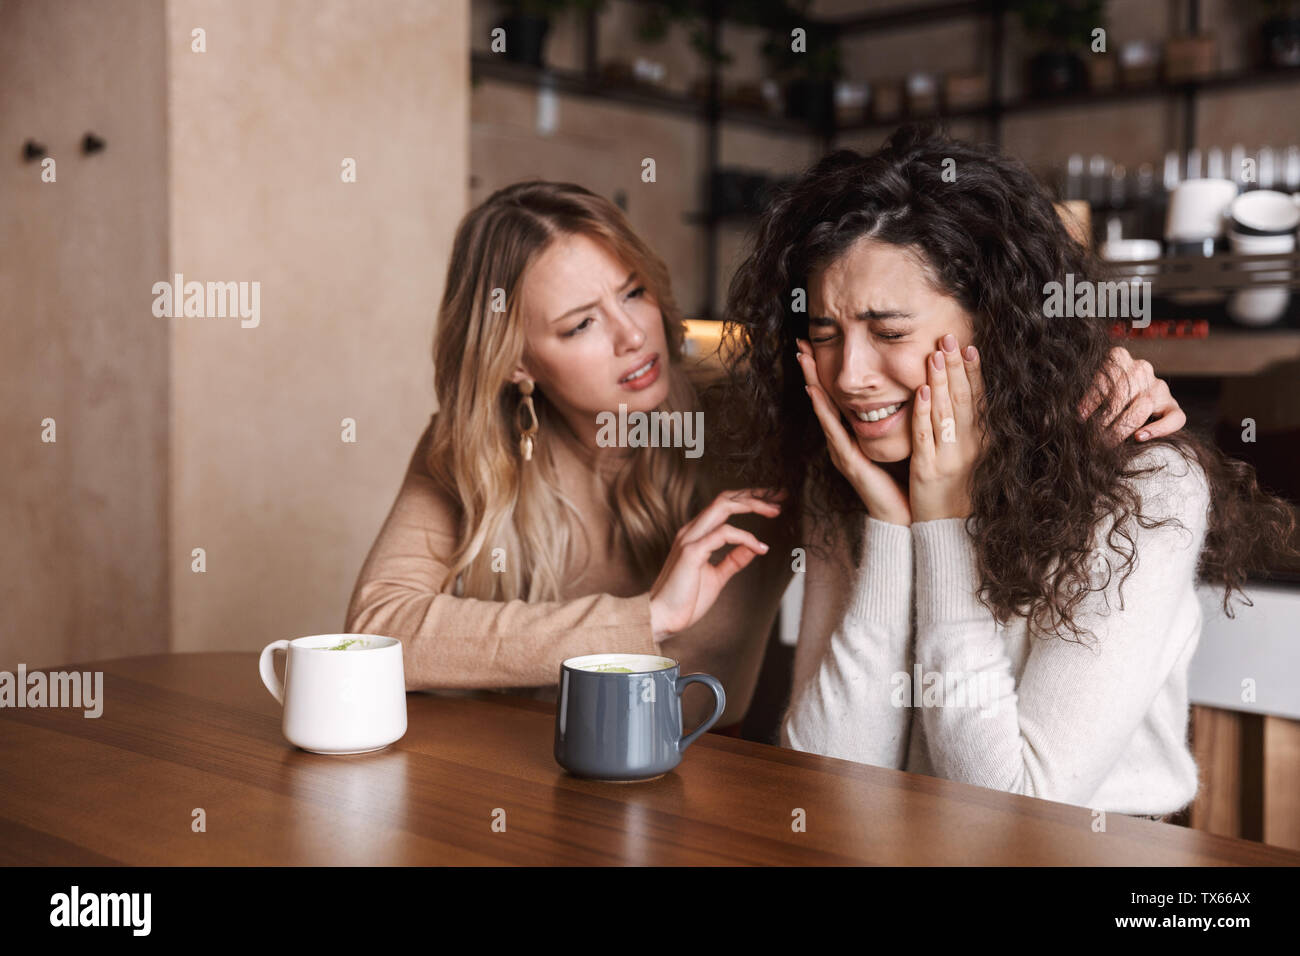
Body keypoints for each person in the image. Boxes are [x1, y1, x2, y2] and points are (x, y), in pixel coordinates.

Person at [345, 178, 1188, 738]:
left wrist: (1088, 372)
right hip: (490, 782)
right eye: (580, 325)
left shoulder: (761, 415)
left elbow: (922, 356)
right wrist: (645, 619)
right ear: (517, 362)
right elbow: (378, 631)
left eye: (632, 290)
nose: (635, 334)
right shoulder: (474, 443)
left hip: (686, 787)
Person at [722, 126, 1297, 816]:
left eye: (890, 333)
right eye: (822, 333)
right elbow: (830, 784)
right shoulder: (846, 474)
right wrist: (890, 529)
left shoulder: (1142, 485)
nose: (851, 375)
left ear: (997, 324)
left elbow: (1014, 815)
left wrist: (942, 526)